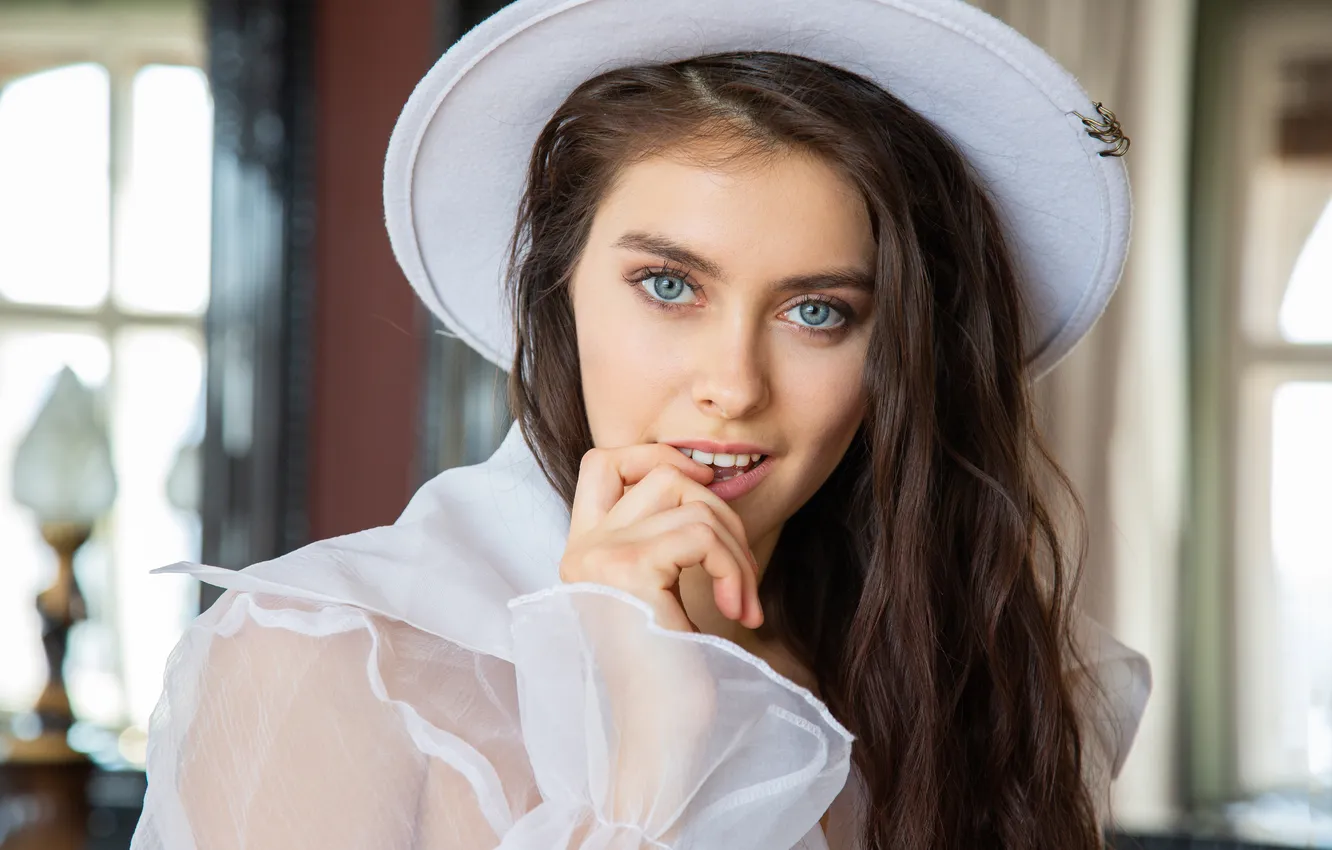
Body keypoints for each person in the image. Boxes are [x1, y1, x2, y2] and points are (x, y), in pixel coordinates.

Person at [129, 0, 1152, 847]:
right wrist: (659, 755)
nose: (733, 386)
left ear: (896, 352)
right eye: (669, 285)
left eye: (817, 312)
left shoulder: (1002, 685)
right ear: (558, 289)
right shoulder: (331, 660)